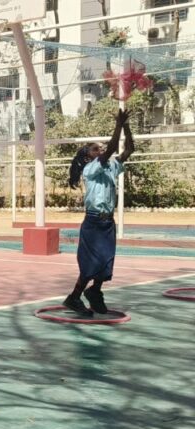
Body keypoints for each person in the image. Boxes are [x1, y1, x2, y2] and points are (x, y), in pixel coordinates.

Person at [63, 109, 134, 316]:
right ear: (88, 156)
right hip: (93, 222)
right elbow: (112, 148)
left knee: (106, 261)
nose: (100, 149)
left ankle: (94, 291)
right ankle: (74, 297)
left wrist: (127, 125)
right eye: (95, 149)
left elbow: (129, 149)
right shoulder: (91, 169)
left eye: (100, 148)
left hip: (107, 222)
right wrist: (118, 124)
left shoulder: (110, 167)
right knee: (91, 262)